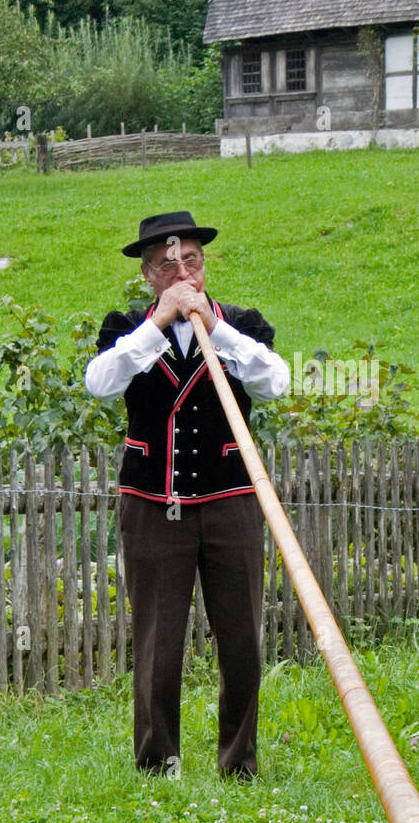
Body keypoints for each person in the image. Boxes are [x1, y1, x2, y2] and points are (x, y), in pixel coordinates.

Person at [85, 211, 290, 779]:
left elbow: (275, 384)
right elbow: (99, 384)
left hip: (231, 502)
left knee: (242, 638)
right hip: (154, 508)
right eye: (168, 264)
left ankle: (238, 764)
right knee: (159, 640)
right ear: (149, 275)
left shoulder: (242, 324)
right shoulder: (125, 329)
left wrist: (215, 329)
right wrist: (160, 324)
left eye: (191, 260)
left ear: (205, 266)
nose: (182, 270)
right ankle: (158, 763)